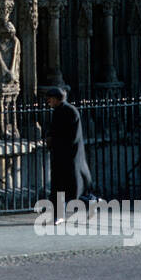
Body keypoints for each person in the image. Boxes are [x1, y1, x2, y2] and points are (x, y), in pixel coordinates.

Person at [44, 86, 93, 224]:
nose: (48, 102)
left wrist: (54, 140)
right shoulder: (58, 111)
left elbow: (71, 135)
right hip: (60, 155)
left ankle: (92, 203)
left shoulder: (70, 111)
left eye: (50, 99)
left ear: (56, 99)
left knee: (72, 187)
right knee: (61, 186)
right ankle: (59, 214)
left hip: (69, 156)